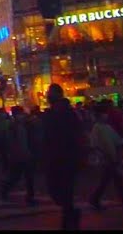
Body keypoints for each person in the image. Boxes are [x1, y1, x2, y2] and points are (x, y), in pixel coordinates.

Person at [43, 84, 83, 229]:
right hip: (57, 157)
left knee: (63, 191)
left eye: (50, 92)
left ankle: (69, 219)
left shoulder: (66, 113)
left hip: (64, 157)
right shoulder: (52, 113)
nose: (47, 95)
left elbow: (74, 135)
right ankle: (70, 215)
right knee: (60, 192)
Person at [87, 100, 123, 212]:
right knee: (117, 181)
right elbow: (99, 144)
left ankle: (95, 198)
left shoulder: (105, 127)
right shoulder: (98, 128)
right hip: (107, 158)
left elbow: (115, 140)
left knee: (109, 181)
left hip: (110, 158)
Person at [1, 106, 36, 205]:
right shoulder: (13, 126)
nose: (22, 116)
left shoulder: (23, 125)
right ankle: (5, 189)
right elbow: (11, 142)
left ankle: (30, 195)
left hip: (25, 153)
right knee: (16, 175)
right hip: (17, 155)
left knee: (28, 176)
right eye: (20, 114)